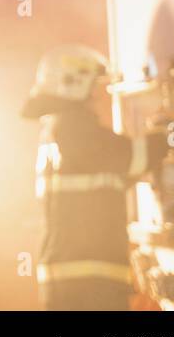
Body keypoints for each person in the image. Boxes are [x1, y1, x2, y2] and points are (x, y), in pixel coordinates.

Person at [22, 45, 166, 310]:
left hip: (73, 280)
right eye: (92, 90)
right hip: (88, 283)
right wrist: (170, 134)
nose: (95, 99)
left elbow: (110, 175)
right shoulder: (74, 127)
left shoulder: (57, 128)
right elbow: (129, 157)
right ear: (73, 84)